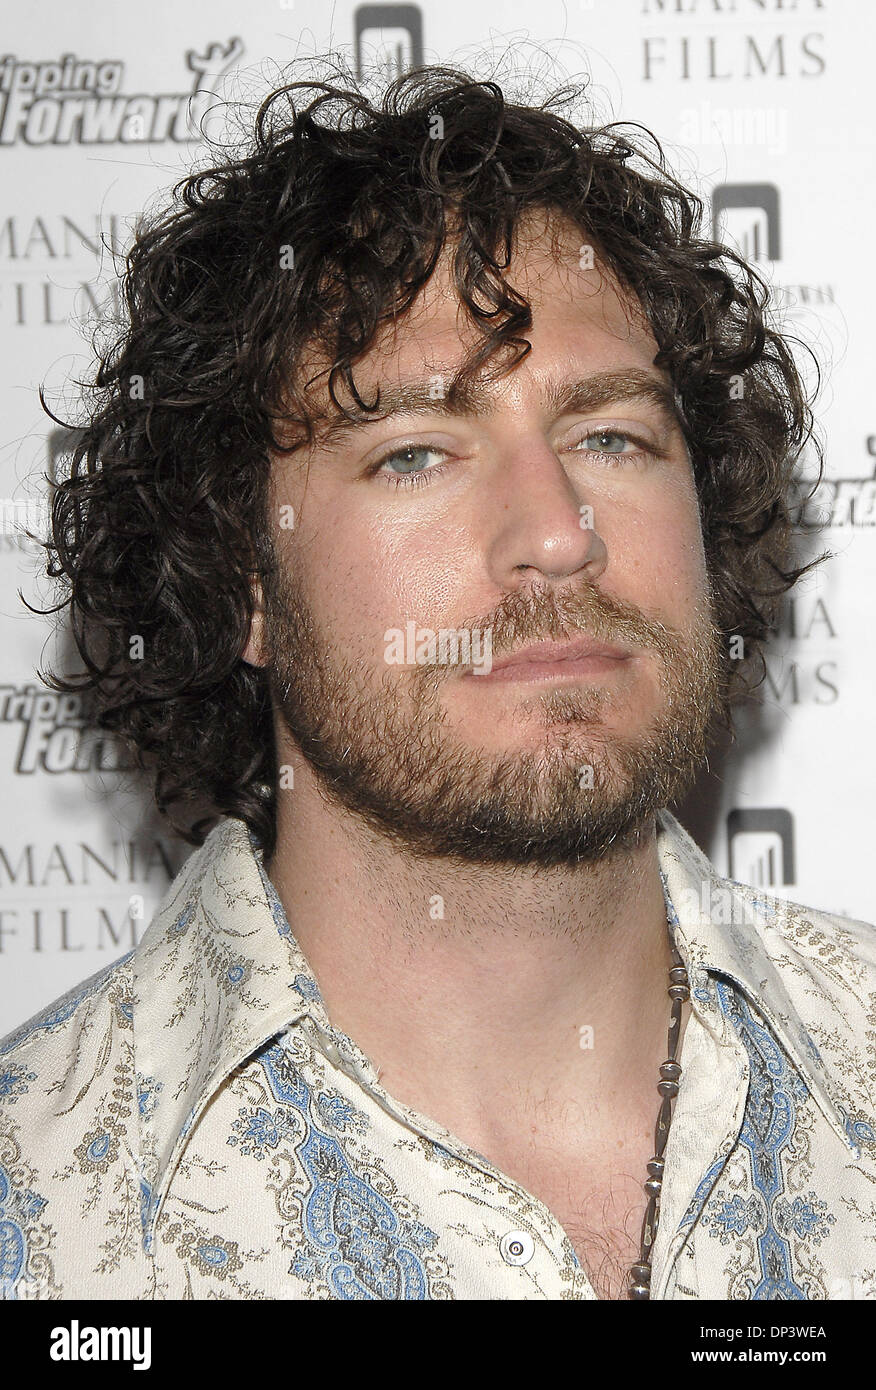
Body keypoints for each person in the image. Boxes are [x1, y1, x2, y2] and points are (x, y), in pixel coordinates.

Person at [2, 61, 874, 1303]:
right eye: (417, 453)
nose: (560, 533)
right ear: (240, 573)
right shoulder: (41, 1223)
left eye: (611, 436)